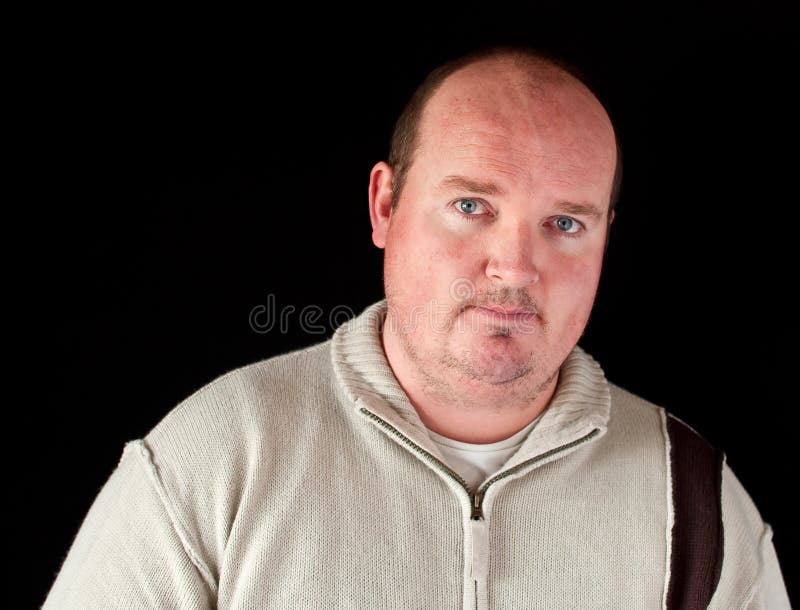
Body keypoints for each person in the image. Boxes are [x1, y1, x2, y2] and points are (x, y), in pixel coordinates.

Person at [44, 46, 791, 609]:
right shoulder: (213, 460)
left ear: (604, 239)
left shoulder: (691, 500)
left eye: (565, 223)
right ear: (385, 206)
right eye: (472, 206)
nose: (514, 266)